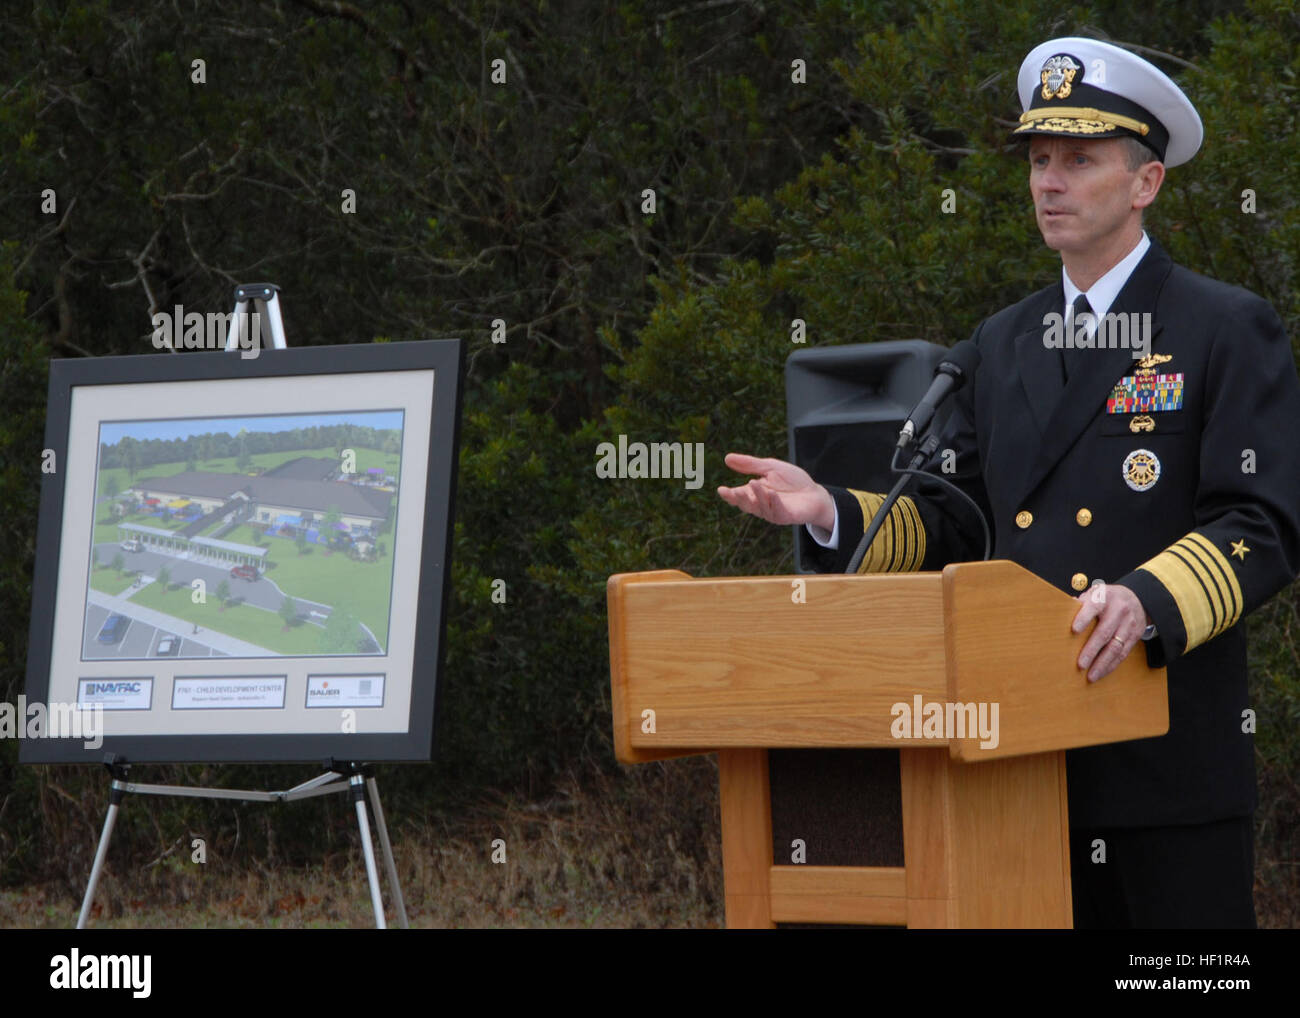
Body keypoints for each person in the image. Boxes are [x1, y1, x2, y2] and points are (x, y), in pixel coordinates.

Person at [717, 36, 1300, 929]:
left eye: (1078, 159)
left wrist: (1145, 601)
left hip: (1163, 769)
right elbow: (956, 520)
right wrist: (829, 509)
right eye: (1038, 160)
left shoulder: (1221, 326)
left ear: (1146, 183)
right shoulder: (1002, 341)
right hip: (1017, 771)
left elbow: (1260, 524)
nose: (1048, 182)